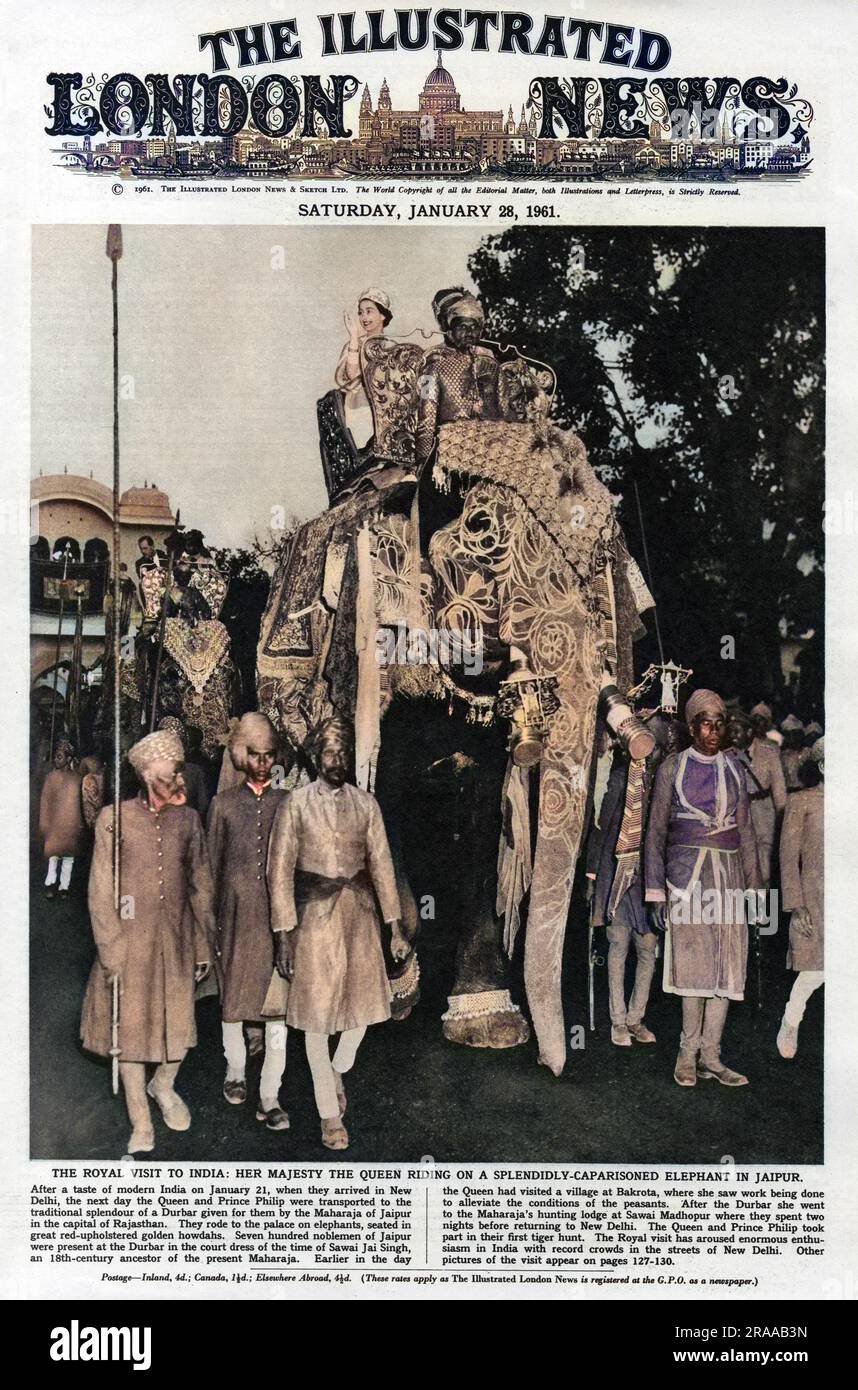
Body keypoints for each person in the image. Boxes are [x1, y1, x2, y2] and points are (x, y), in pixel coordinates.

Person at [267, 715, 409, 1150]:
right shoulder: (295, 804)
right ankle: (329, 1114)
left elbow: (382, 865)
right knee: (315, 1021)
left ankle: (338, 1068)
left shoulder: (366, 804)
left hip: (359, 919)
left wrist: (395, 926)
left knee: (365, 1012)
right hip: (312, 922)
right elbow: (278, 873)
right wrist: (284, 934)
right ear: (315, 758)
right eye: (329, 753)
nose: (337, 761)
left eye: (343, 753)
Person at [80, 729, 215, 1155]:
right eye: (168, 774)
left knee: (180, 1026)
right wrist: (110, 948)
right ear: (144, 775)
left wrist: (201, 943)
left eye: (178, 772)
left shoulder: (190, 821)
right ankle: (140, 1120)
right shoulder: (112, 820)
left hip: (177, 940)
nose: (177, 780)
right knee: (131, 1030)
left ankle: (164, 1086)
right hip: (128, 942)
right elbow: (100, 892)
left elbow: (202, 888)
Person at [645, 689, 760, 1088]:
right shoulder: (671, 769)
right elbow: (656, 832)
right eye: (706, 723)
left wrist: (755, 893)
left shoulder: (735, 768)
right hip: (686, 879)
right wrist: (656, 892)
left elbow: (746, 831)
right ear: (692, 727)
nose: (714, 731)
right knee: (693, 969)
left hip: (728, 877)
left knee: (727, 967)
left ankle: (713, 1055)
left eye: (720, 722)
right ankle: (688, 1053)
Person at [207, 713, 290, 1129]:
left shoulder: (287, 804)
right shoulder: (222, 805)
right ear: (242, 756)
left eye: (268, 755)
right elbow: (211, 871)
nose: (261, 763)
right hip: (234, 922)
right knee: (233, 1004)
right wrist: (211, 928)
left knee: (277, 1011)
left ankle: (270, 1094)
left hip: (277, 925)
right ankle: (235, 1071)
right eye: (254, 755)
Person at [586, 716, 678, 1046]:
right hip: (617, 874)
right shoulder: (620, 778)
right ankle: (617, 1022)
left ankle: (636, 1019)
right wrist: (593, 876)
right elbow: (601, 828)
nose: (653, 752)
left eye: (660, 746)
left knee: (648, 949)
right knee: (618, 945)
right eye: (649, 744)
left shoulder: (668, 784)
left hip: (650, 877)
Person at [415, 287, 501, 466]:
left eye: (473, 326)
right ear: (446, 325)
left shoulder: (489, 360)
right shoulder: (432, 362)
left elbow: (504, 407)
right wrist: (423, 459)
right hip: (451, 442)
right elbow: (426, 418)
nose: (468, 332)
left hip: (491, 442)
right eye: (461, 325)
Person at [777, 737, 824, 1059]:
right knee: (815, 972)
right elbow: (787, 857)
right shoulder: (802, 801)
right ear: (821, 766)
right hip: (815, 899)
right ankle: (791, 1022)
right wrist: (796, 906)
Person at [334, 288, 393, 451]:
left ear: (383, 315)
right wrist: (353, 337)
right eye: (360, 313)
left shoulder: (394, 347)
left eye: (369, 311)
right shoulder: (354, 345)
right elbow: (351, 379)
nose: (364, 318)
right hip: (360, 411)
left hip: (389, 414)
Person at [745, 702, 787, 886]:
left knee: (765, 860)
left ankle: (761, 911)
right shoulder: (739, 746)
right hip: (744, 807)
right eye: (754, 719)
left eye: (762, 720)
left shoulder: (772, 749)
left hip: (765, 809)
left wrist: (781, 812)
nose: (758, 724)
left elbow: (778, 784)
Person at [39, 738, 84, 899]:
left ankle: (64, 887)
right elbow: (45, 802)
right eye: (56, 756)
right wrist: (44, 822)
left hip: (71, 823)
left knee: (68, 859)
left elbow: (81, 803)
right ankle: (50, 885)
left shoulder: (77, 779)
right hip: (54, 823)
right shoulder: (51, 777)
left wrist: (80, 824)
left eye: (60, 757)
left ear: (69, 759)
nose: (56, 760)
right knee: (53, 857)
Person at [779, 714, 809, 793]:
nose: (792, 738)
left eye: (796, 734)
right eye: (788, 735)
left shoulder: (809, 753)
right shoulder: (782, 756)